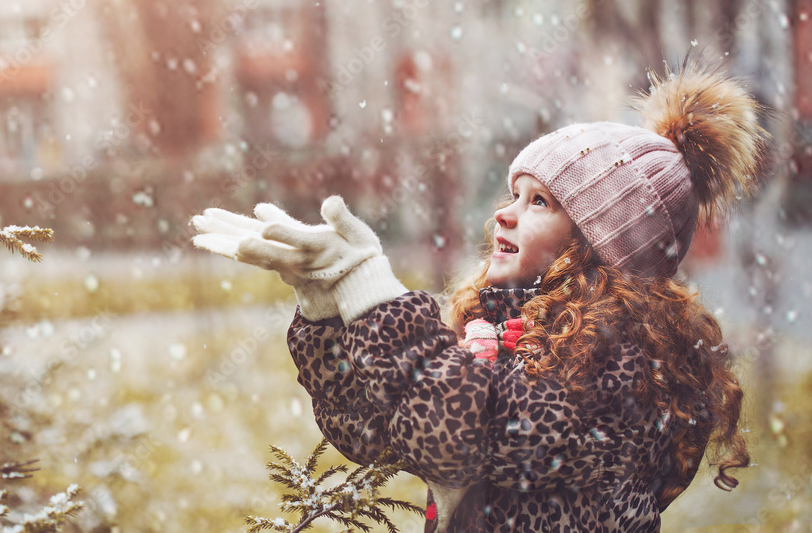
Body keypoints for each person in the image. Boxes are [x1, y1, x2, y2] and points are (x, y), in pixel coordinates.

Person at [191, 58, 768, 532]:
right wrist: (324, 310)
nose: (505, 214)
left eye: (539, 203)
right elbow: (378, 433)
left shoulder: (620, 361)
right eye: (513, 195)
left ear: (599, 244)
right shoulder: (503, 331)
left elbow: (456, 434)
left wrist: (374, 295)